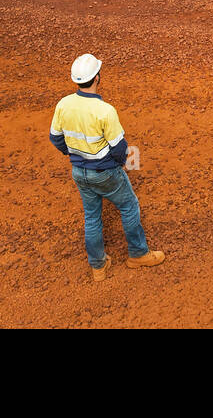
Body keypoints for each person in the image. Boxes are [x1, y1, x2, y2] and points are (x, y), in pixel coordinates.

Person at [49, 53, 165, 281]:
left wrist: (73, 153)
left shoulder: (63, 104)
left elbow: (56, 138)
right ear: (97, 78)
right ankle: (138, 254)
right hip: (105, 172)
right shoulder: (105, 111)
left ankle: (98, 266)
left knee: (92, 217)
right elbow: (119, 148)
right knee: (129, 206)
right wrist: (119, 165)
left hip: (79, 172)